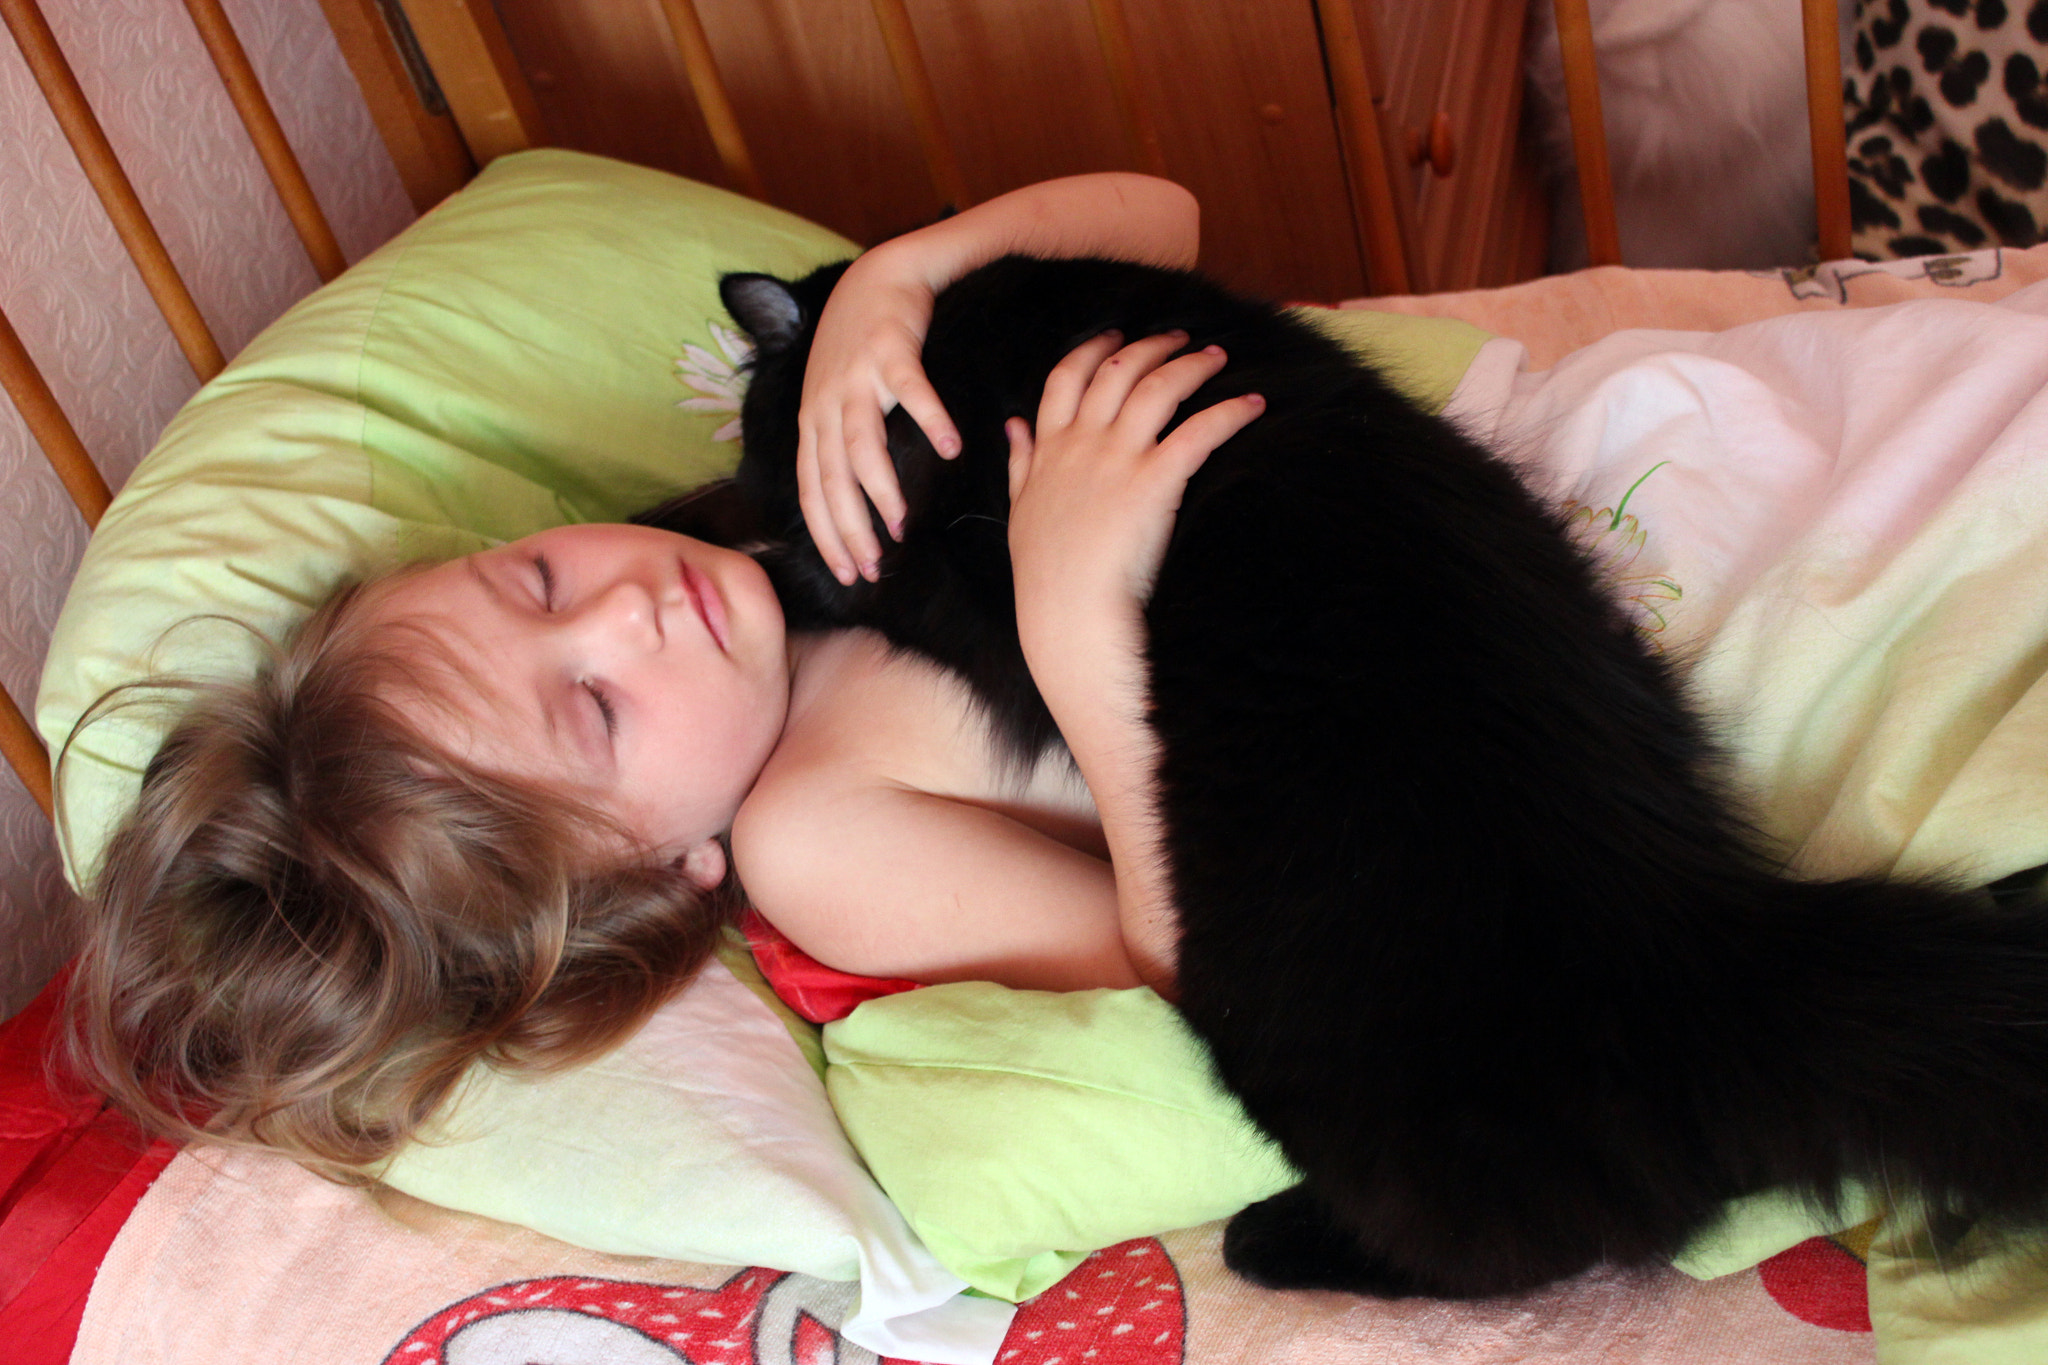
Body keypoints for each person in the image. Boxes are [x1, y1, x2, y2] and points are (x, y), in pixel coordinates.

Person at [67, 173, 1264, 1175]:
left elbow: (1166, 219)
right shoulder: (818, 836)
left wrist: (898, 282)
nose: (623, 609)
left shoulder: (821, 483)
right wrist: (1079, 631)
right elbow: (1186, 973)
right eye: (593, 708)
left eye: (536, 578)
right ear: (661, 878)